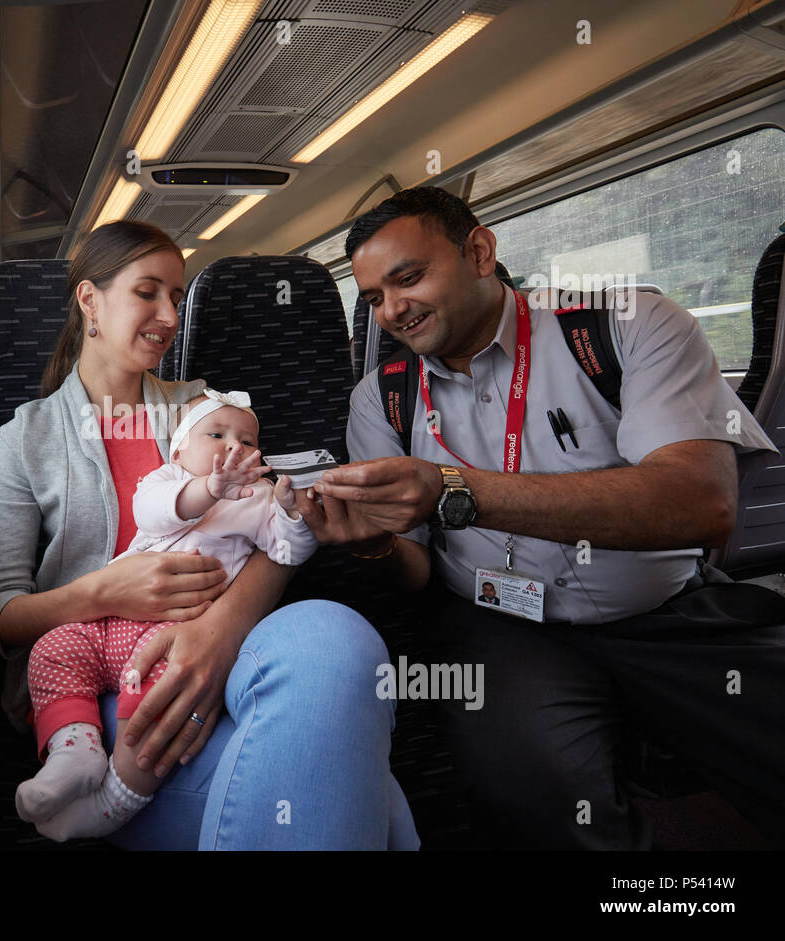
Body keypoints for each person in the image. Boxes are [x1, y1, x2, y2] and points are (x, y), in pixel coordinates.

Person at [296, 185, 785, 849]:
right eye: (375, 296)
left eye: (408, 278)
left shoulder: (622, 326)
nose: (393, 311)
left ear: (479, 250)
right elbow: (411, 570)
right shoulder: (381, 398)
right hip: (503, 628)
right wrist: (376, 544)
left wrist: (453, 488)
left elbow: (700, 502)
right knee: (547, 801)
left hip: (667, 611)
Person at [0, 219, 419, 850]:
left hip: (232, 640)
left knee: (338, 637)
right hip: (106, 671)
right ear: (89, 300)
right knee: (367, 795)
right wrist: (104, 592)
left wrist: (219, 632)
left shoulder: (206, 412)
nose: (169, 315)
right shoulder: (26, 437)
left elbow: (274, 529)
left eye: (177, 297)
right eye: (147, 292)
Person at [16, 389, 318, 840]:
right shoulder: (165, 479)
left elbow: (286, 552)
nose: (235, 447)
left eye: (249, 442)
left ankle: (116, 799)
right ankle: (72, 752)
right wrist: (208, 490)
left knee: (162, 699)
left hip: (177, 635)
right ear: (178, 448)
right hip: (108, 625)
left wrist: (294, 516)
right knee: (53, 649)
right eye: (217, 435)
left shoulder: (258, 497)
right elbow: (154, 513)